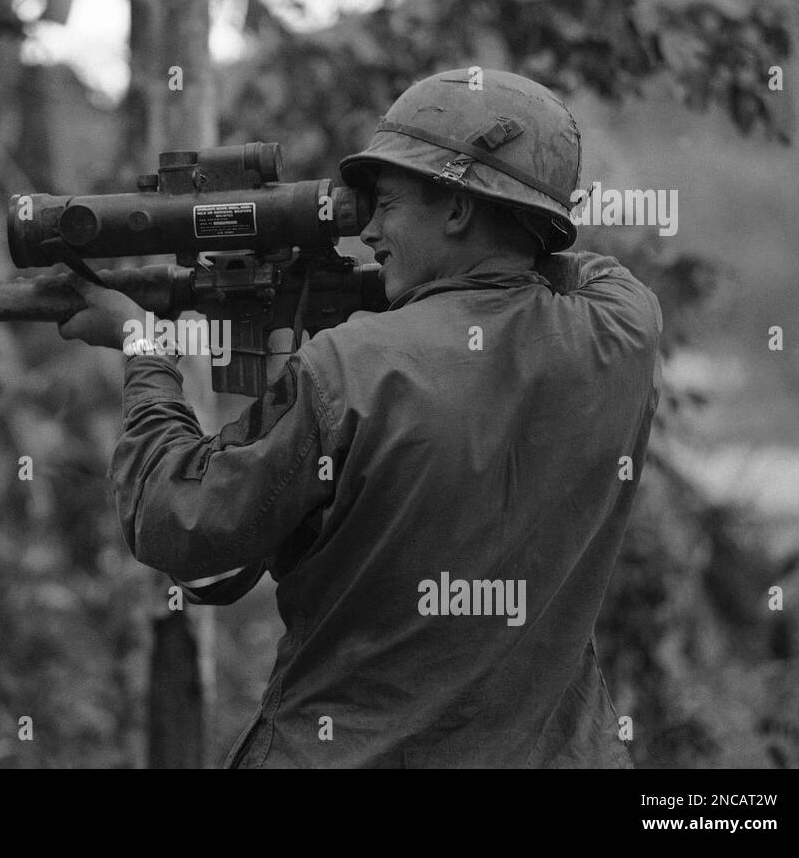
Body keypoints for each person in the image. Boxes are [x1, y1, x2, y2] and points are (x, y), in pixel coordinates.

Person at [57, 68, 662, 768]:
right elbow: (554, 270)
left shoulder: (348, 368)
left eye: (388, 205)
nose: (368, 227)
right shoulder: (624, 329)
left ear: (459, 209)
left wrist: (143, 346)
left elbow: (179, 518)